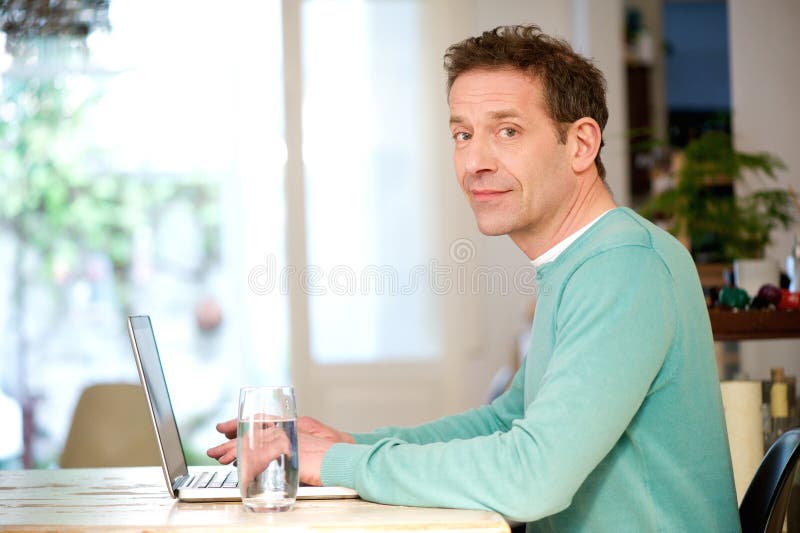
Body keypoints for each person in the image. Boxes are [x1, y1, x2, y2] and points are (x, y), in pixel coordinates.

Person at [209, 25, 740, 531]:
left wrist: (337, 463)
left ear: (581, 145)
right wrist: (350, 445)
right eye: (462, 134)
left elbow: (532, 478)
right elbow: (507, 421)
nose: (474, 162)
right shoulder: (580, 263)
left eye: (507, 131)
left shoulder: (624, 266)